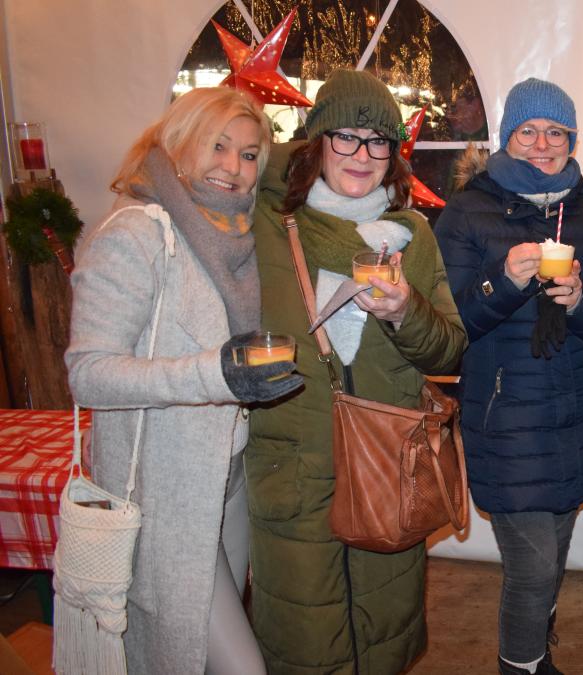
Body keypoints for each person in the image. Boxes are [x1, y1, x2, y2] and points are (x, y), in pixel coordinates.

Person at [66, 87, 298, 674]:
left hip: (227, 481)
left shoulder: (234, 238)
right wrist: (216, 373)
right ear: (177, 144)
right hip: (162, 494)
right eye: (216, 145)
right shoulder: (136, 233)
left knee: (196, 662)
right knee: (235, 666)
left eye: (249, 155)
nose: (233, 166)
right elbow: (87, 374)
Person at [246, 69, 467, 673]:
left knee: (382, 626)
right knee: (304, 632)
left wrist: (405, 312)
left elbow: (450, 351)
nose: (362, 155)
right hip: (295, 459)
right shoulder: (268, 220)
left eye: (379, 142)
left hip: (388, 457)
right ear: (316, 139)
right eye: (345, 137)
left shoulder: (412, 234)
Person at [435, 77, 583, 675]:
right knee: (533, 567)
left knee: (555, 557)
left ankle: (537, 657)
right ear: (507, 136)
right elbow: (453, 320)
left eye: (556, 132)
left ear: (572, 139)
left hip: (574, 412)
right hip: (504, 414)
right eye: (529, 131)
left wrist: (579, 300)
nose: (543, 143)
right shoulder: (469, 210)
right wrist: (505, 282)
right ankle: (518, 667)